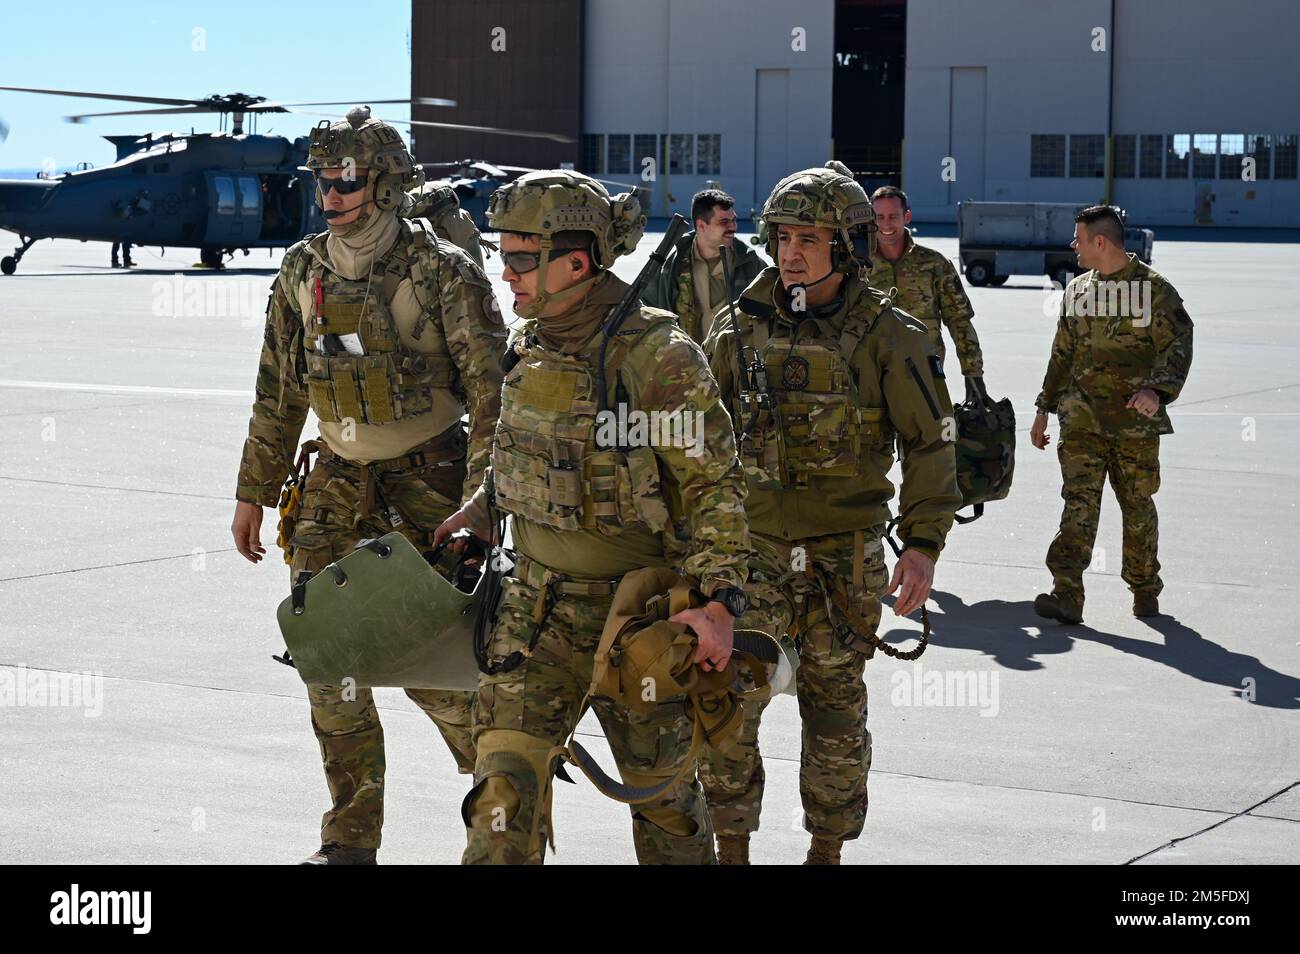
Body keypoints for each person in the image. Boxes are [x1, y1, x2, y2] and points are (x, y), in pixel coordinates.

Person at [433, 170, 750, 865]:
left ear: (575, 263)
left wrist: (720, 602)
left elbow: (713, 487)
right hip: (534, 612)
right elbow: (521, 447)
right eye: (503, 254)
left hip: (636, 618)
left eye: (520, 258)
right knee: (499, 802)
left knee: (664, 805)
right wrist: (483, 509)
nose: (505, 271)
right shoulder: (534, 339)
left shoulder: (657, 354)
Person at [230, 106, 507, 864]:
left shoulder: (444, 273)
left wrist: (483, 501)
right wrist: (252, 491)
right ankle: (349, 837)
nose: (330, 193)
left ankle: (504, 821)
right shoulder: (302, 271)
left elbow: (494, 396)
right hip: (332, 485)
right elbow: (278, 392)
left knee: (440, 667)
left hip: (432, 483)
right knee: (328, 657)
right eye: (324, 179)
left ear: (385, 185)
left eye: (346, 180)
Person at [700, 164, 960, 864]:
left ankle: (826, 849)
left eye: (809, 238)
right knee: (728, 704)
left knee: (835, 711)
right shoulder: (736, 328)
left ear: (843, 245)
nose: (790, 252)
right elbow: (694, 441)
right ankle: (731, 847)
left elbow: (932, 444)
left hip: (842, 557)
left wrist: (924, 544)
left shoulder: (891, 335)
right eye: (783, 235)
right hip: (750, 556)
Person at [1030, 205, 1193, 623]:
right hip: (1081, 421)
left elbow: (1178, 341)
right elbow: (1061, 352)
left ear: (1099, 242)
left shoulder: (1154, 290)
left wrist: (1158, 390)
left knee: (1137, 505)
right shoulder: (1077, 290)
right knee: (1077, 504)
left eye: (1079, 238)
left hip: (1133, 425)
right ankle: (1067, 594)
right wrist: (1044, 408)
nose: (1073, 245)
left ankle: (1144, 589)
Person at [868, 185, 983, 382]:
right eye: (879, 217)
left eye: (893, 216)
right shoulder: (859, 265)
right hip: (873, 372)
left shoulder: (934, 264)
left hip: (924, 372)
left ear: (907, 217)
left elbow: (959, 321)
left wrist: (973, 375)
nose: (886, 224)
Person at [642, 188, 767, 344]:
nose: (733, 227)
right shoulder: (673, 266)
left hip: (734, 362)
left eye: (734, 220)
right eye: (724, 222)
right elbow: (646, 308)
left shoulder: (750, 264)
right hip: (688, 362)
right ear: (701, 225)